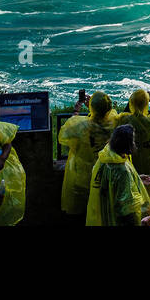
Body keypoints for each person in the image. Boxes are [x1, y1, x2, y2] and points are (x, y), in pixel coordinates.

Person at [58, 90, 117, 218]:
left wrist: (77, 109)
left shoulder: (82, 125)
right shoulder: (114, 122)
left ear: (92, 108)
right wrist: (95, 106)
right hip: (107, 174)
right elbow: (108, 112)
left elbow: (66, 132)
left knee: (84, 210)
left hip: (84, 176)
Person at [88, 125, 150, 226]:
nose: (134, 143)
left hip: (106, 214)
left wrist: (137, 179)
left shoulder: (106, 158)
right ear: (126, 144)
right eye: (132, 140)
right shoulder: (122, 170)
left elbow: (111, 183)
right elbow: (128, 208)